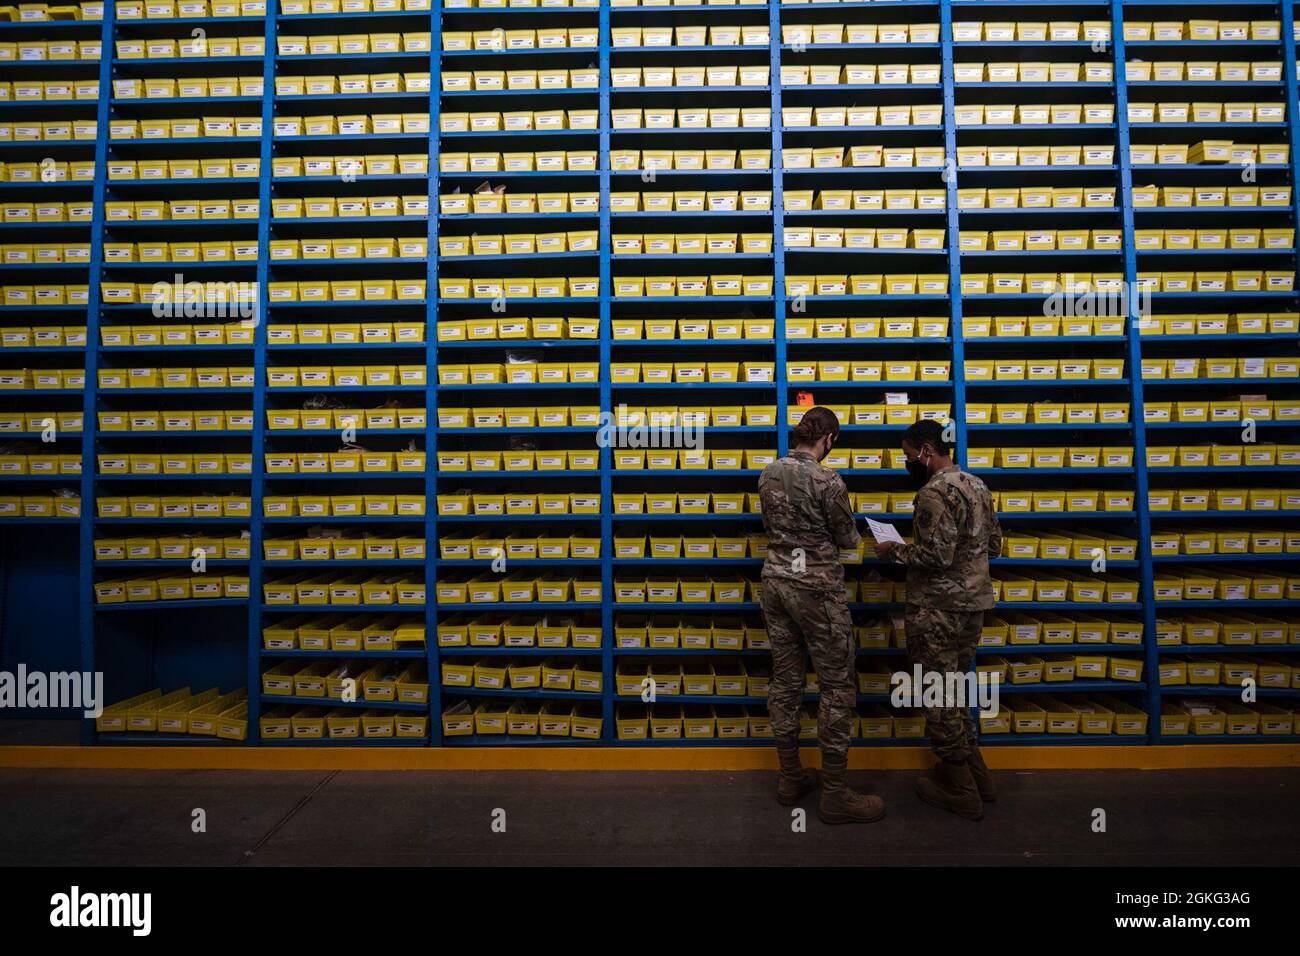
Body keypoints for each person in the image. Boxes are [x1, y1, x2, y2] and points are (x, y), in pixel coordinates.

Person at [757, 406, 885, 824]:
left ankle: (790, 777)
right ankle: (835, 793)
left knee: (786, 679)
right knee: (835, 686)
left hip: (776, 583)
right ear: (828, 438)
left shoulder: (768, 472)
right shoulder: (828, 479)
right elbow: (848, 539)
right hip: (816, 589)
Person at [875, 418, 1002, 821]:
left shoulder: (934, 493)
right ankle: (977, 774)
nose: (909, 462)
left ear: (926, 451)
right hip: (974, 606)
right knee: (957, 688)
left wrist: (894, 550)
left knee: (938, 693)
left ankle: (961, 790)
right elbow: (995, 545)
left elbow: (935, 557)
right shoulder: (976, 484)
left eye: (910, 455)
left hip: (938, 610)